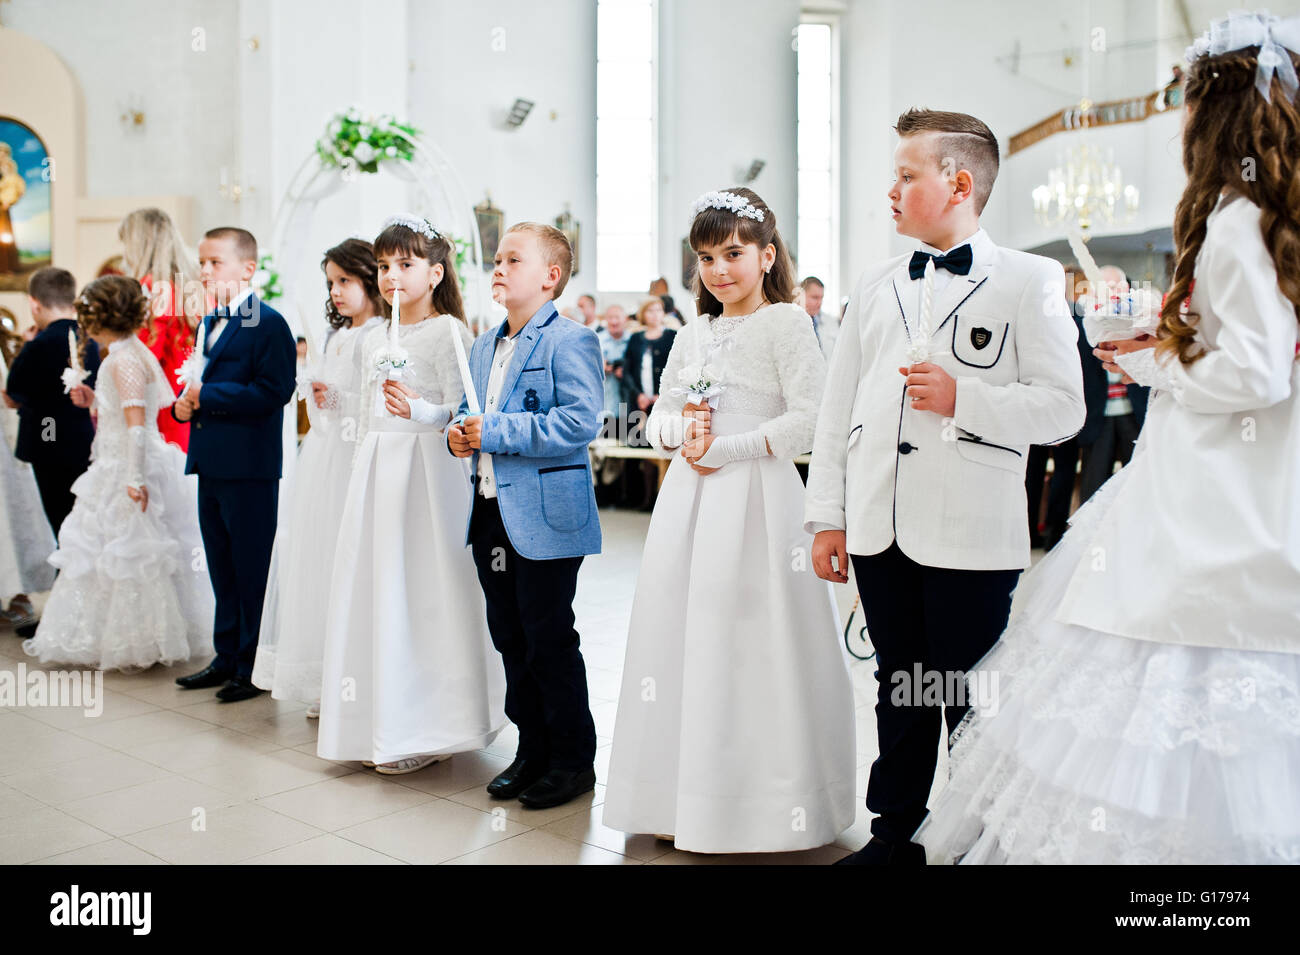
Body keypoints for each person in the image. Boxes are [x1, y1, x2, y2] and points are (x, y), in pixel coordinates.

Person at [915, 13, 1300, 863]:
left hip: (1213, 485)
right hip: (1258, 471)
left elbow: (1260, 377)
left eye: (1188, 109)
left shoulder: (1237, 220)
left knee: (1169, 648)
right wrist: (1170, 341)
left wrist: (1155, 367)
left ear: (1215, 116)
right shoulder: (1276, 214)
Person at [804, 108, 1085, 865]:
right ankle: (894, 832)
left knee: (967, 692)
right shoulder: (876, 282)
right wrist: (825, 515)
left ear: (958, 183)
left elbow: (1065, 408)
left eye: (906, 175)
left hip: (971, 527)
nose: (890, 191)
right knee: (899, 685)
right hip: (879, 521)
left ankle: (968, 835)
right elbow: (839, 410)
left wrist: (967, 397)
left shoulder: (1029, 278)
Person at [603, 187, 856, 852]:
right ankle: (680, 798)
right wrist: (672, 435)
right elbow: (663, 407)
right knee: (683, 635)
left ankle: (763, 805)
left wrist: (730, 449)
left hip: (758, 499)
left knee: (754, 637)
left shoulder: (785, 323)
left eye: (735, 253)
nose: (719, 270)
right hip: (689, 499)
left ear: (768, 255)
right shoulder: (693, 331)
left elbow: (811, 413)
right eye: (706, 258)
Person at [315, 217, 506, 773]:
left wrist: (422, 411)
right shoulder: (376, 334)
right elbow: (360, 406)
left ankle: (428, 724)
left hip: (426, 469)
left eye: (405, 265)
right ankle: (377, 720)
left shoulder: (449, 332)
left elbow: (463, 408)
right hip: (378, 463)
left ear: (435, 272)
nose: (392, 277)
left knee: (421, 585)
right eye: (383, 267)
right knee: (376, 586)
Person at [448, 222, 604, 809]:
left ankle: (571, 760)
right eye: (496, 258)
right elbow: (469, 411)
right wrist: (457, 435)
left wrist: (495, 431)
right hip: (489, 512)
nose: (499, 267)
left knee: (548, 638)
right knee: (509, 636)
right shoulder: (484, 345)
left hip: (546, 516)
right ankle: (531, 747)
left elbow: (580, 422)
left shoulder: (571, 340)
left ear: (550, 276)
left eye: (513, 259)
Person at [21, 276, 212, 670]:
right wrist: (94, 398)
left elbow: (137, 425)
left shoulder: (122, 359)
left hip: (124, 464)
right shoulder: (128, 352)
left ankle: (136, 639)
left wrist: (134, 477)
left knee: (129, 554)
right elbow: (124, 408)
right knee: (117, 554)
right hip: (119, 458)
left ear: (96, 318)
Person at [253, 239, 385, 717]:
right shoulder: (335, 337)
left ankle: (357, 675)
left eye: (345, 281)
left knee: (352, 562)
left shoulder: (379, 335)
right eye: (331, 283)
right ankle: (326, 674)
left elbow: (371, 407)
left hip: (355, 455)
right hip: (326, 456)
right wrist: (318, 393)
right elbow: (329, 411)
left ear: (370, 278)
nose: (336, 292)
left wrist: (337, 399)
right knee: (319, 561)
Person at [172, 227, 297, 703]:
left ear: (247, 268)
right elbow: (199, 383)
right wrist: (186, 405)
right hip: (211, 460)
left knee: (251, 570)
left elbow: (275, 391)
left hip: (249, 465)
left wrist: (208, 396)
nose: (204, 272)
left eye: (214, 263)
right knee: (221, 567)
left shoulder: (268, 324)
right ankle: (224, 655)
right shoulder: (209, 323)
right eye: (201, 263)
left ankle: (252, 665)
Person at [3, 268, 102, 637]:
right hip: (81, 441)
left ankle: (64, 616)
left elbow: (14, 390)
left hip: (48, 448)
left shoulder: (39, 344)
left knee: (62, 531)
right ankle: (74, 609)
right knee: (76, 527)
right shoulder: (88, 338)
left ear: (34, 304)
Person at [118, 207, 203, 452]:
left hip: (162, 404)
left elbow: (142, 358)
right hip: (190, 396)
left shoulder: (152, 288)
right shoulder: (194, 286)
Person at [1024, 264, 1088, 549]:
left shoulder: (1040, 311)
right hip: (1053, 400)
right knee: (1054, 470)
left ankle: (1033, 532)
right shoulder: (1079, 315)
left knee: (1038, 472)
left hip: (1042, 401)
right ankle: (1052, 532)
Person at [1076, 265, 1149, 505]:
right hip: (1098, 412)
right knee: (1094, 483)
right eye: (1102, 287)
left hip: (1134, 409)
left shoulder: (1142, 316)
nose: (1109, 291)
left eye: (1114, 286)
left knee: (1140, 477)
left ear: (1126, 287)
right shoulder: (1080, 321)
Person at [801, 276, 839, 362]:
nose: (819, 303)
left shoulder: (831, 322)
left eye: (821, 298)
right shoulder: (793, 322)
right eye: (815, 297)